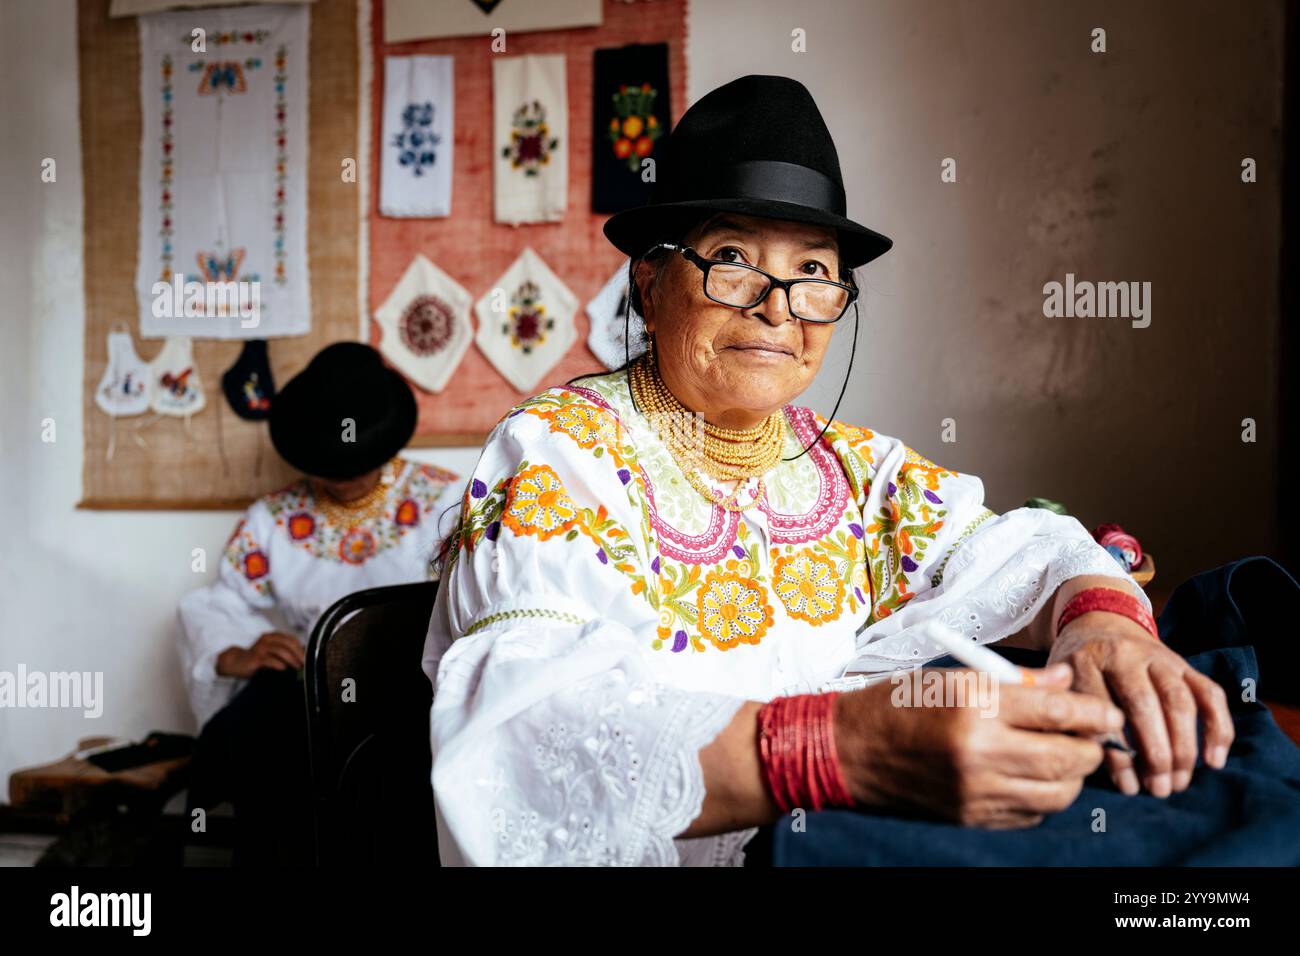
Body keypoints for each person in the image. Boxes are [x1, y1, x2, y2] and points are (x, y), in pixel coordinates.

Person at [421, 75, 1235, 866]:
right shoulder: (559, 452)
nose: (778, 306)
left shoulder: (851, 466)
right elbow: (527, 737)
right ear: (649, 278)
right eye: (733, 256)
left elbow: (1027, 552)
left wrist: (1101, 620)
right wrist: (835, 748)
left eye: (813, 271)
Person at [180, 341, 462, 864]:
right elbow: (219, 602)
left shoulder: (443, 500)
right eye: (329, 462)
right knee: (259, 748)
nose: (345, 473)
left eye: (357, 458)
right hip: (307, 706)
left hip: (411, 693)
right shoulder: (273, 518)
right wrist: (238, 650)